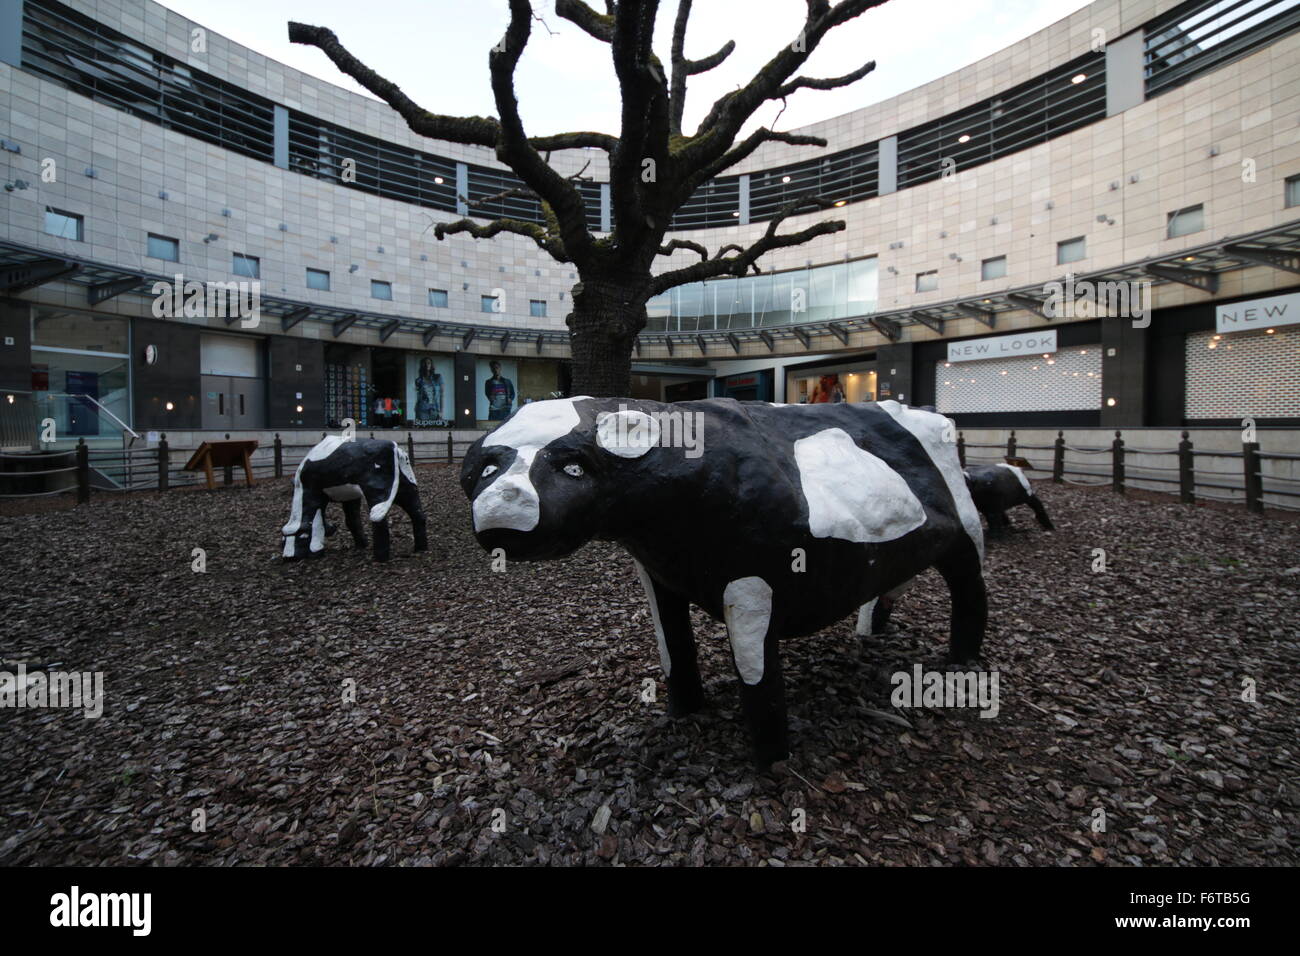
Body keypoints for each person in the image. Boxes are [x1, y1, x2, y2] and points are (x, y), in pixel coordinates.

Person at [415, 358, 443, 422]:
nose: (427, 365)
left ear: (431, 364)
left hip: (434, 409)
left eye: (428, 363)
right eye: (424, 363)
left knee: (435, 429)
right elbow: (419, 396)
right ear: (422, 366)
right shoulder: (418, 380)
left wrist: (441, 411)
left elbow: (442, 395)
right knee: (423, 430)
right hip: (422, 410)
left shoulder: (438, 377)